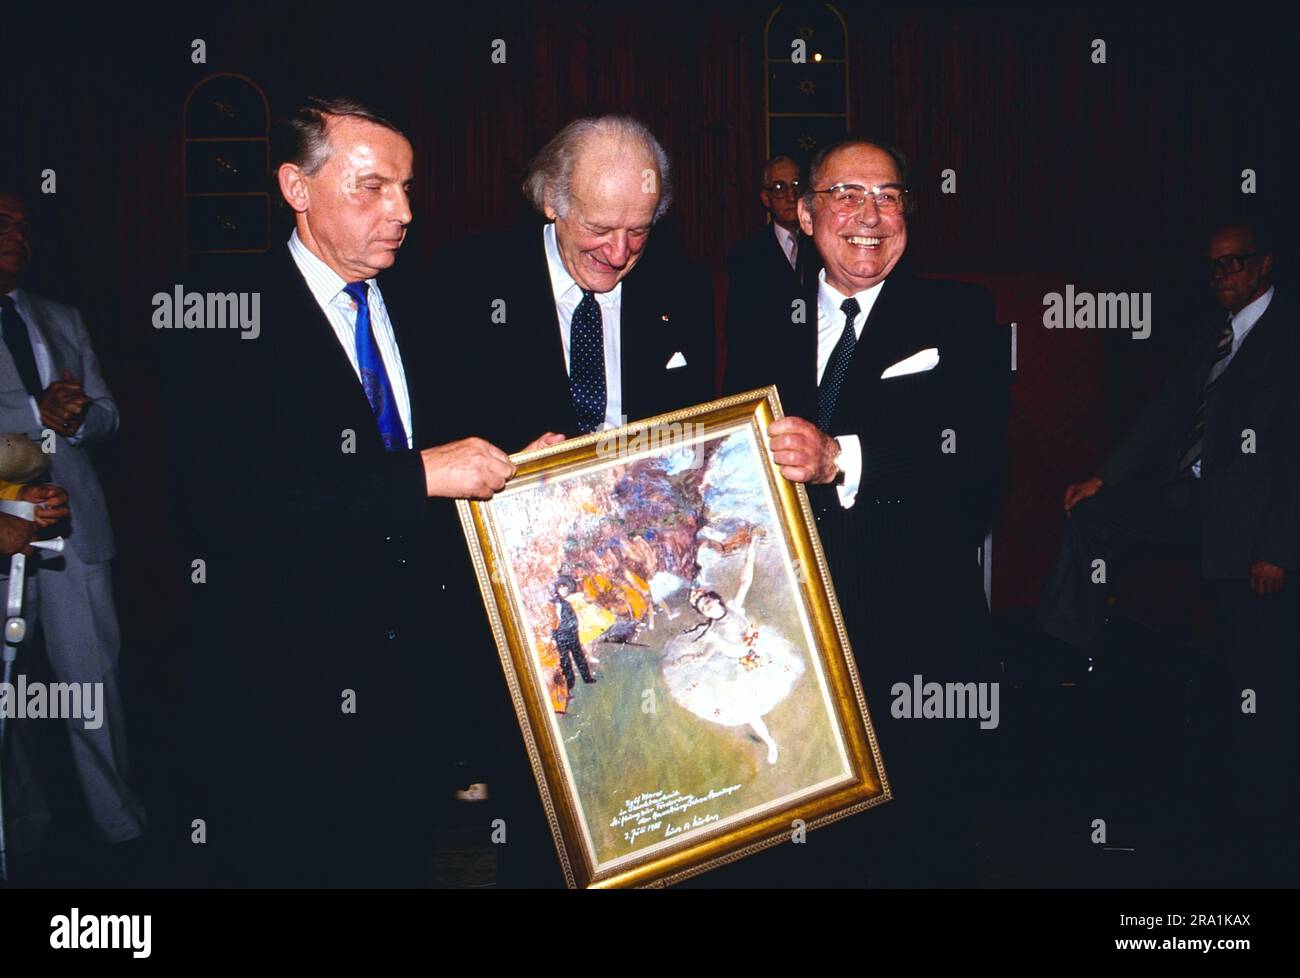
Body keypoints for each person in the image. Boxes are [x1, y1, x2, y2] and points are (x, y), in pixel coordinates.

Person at [162, 96, 516, 886]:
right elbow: (226, 505)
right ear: (296, 187)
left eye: (408, 189)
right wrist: (418, 475)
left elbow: (450, 447)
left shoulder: (420, 307)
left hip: (412, 687)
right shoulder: (224, 314)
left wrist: (521, 462)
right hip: (286, 693)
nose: (403, 212)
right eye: (374, 188)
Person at [432, 115, 717, 886]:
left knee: (654, 790)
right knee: (539, 814)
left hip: (646, 592)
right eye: (600, 227)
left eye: (640, 231)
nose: (620, 253)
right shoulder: (463, 284)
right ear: (549, 200)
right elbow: (430, 438)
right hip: (525, 599)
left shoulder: (683, 289)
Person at [723, 137, 1009, 886]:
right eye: (846, 194)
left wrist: (841, 457)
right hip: (790, 640)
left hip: (917, 637)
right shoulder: (760, 320)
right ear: (808, 212)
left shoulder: (959, 312)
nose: (869, 216)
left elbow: (976, 464)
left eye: (888, 196)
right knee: (799, 845)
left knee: (922, 845)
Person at [1036, 221, 1299, 884]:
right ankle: (1069, 643)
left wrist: (1278, 547)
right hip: (1189, 500)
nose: (1223, 277)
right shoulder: (1213, 338)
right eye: (1213, 268)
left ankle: (1258, 816)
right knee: (1092, 512)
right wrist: (1105, 476)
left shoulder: (1286, 339)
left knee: (1252, 678)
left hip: (1248, 530)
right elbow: (1160, 414)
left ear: (1264, 265)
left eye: (1234, 265)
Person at [0, 186, 148, 854]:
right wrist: (37, 416)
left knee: (94, 683)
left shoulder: (62, 316)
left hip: (74, 526)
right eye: (3, 223)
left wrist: (82, 414)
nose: (18, 235)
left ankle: (120, 823)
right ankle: (22, 827)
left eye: (25, 225)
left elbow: (111, 418)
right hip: (5, 521)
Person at [660, 531, 804, 765]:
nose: (706, 608)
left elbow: (745, 581)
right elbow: (706, 656)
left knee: (769, 689)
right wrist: (684, 660)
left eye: (707, 602)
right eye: (702, 608)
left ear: (716, 600)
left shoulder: (734, 608)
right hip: (739, 668)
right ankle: (770, 744)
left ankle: (772, 741)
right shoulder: (713, 632)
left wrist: (751, 550)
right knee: (749, 712)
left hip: (759, 654)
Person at [723, 155, 809, 380]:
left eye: (797, 185)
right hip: (767, 374)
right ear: (766, 198)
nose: (791, 196)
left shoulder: (824, 246)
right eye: (780, 188)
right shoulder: (745, 254)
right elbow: (742, 335)